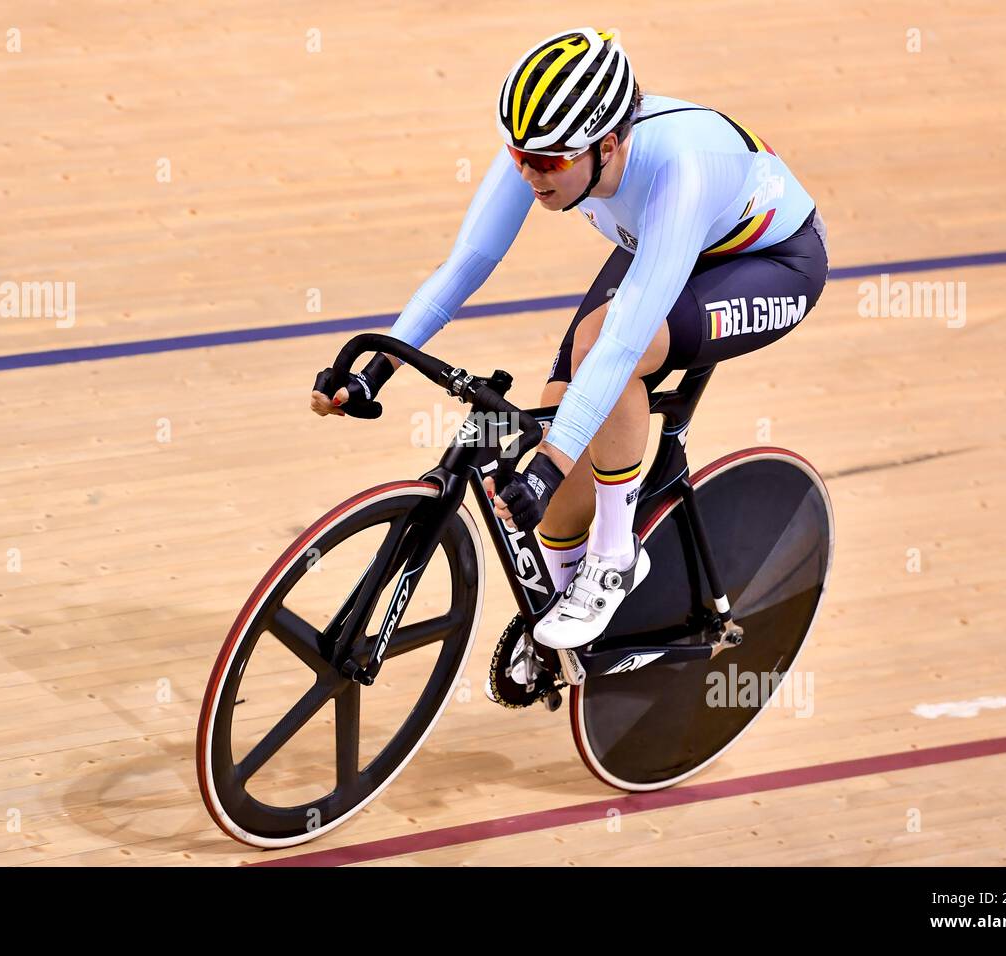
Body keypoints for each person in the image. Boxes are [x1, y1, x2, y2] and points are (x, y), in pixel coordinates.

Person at [311, 27, 829, 651]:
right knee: (561, 417)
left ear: (608, 145)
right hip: (662, 246)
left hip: (770, 261)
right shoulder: (548, 149)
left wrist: (550, 467)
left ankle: (614, 559)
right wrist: (376, 368)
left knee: (601, 364)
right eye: (518, 156)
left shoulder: (680, 169)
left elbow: (619, 345)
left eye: (550, 162)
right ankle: (563, 642)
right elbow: (467, 262)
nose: (530, 173)